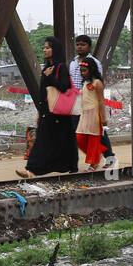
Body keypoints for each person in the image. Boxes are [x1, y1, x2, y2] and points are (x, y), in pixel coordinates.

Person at [18, 36, 78, 177]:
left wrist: (50, 77)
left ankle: (33, 169)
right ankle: (34, 168)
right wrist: (39, 110)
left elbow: (64, 87)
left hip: (58, 112)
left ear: (54, 50)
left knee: (59, 139)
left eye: (47, 47)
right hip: (47, 110)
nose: (44, 50)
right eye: (44, 47)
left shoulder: (61, 68)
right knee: (47, 139)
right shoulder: (47, 68)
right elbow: (42, 91)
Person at [70, 35, 114, 161]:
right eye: (78, 44)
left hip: (89, 102)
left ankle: (108, 156)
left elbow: (97, 81)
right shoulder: (73, 63)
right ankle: (77, 159)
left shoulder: (95, 63)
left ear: (89, 47)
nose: (79, 47)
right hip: (75, 102)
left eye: (83, 44)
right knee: (76, 132)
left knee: (97, 132)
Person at [75, 59, 108, 171]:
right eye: (81, 71)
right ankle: (98, 153)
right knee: (79, 138)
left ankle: (93, 163)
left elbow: (101, 101)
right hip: (84, 114)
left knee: (93, 139)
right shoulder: (85, 82)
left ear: (91, 70)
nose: (83, 73)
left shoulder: (97, 83)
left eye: (84, 70)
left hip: (94, 114)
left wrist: (103, 117)